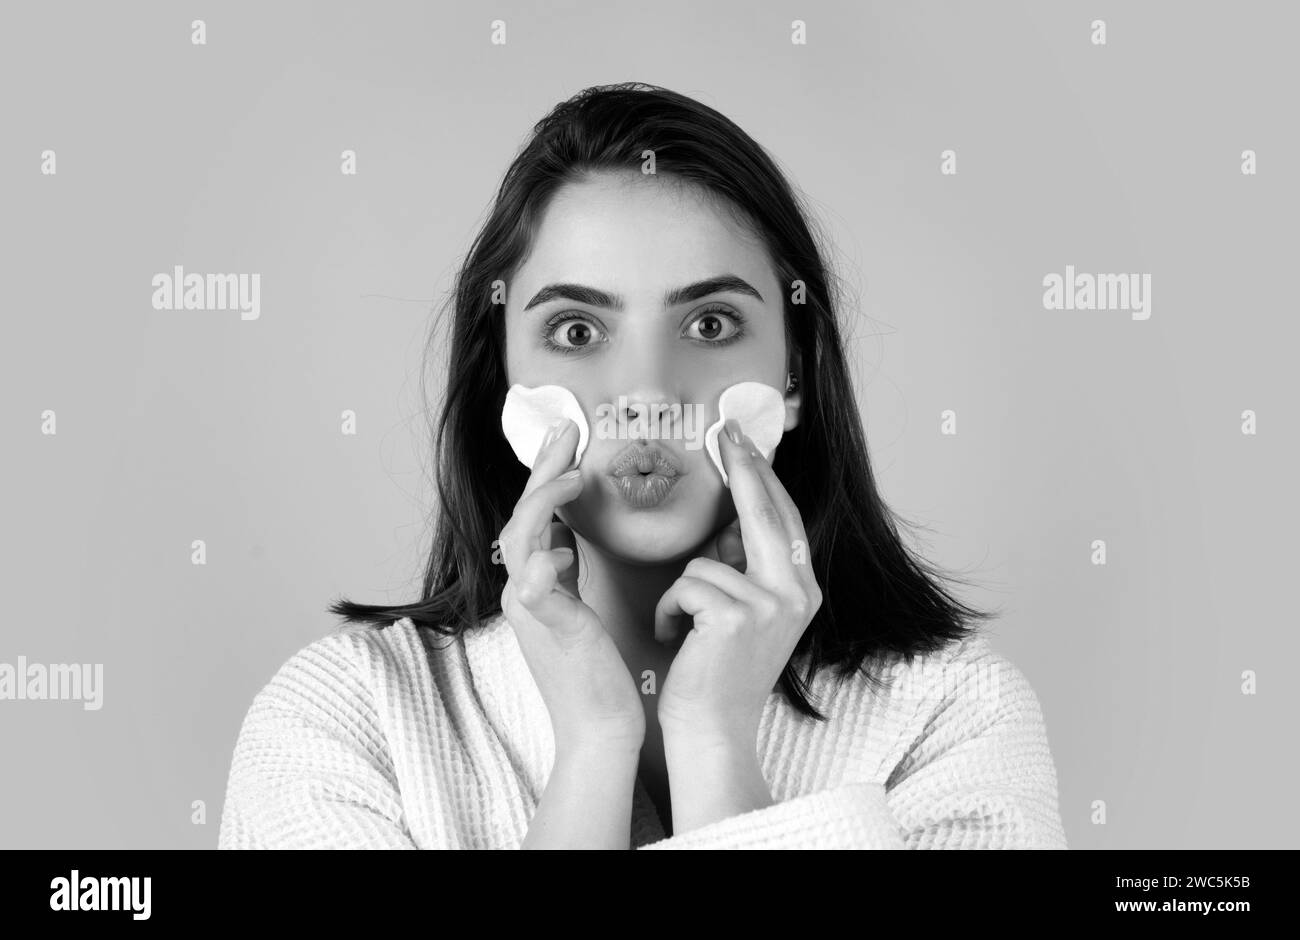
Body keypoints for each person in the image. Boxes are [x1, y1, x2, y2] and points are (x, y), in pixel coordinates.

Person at [217, 82, 1067, 850]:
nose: (648, 394)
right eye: (578, 333)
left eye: (709, 326)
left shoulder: (956, 717)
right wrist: (592, 749)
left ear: (794, 373)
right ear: (503, 380)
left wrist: (713, 737)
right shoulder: (345, 716)